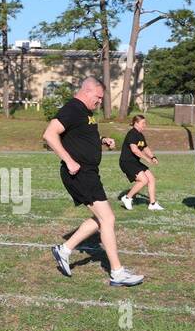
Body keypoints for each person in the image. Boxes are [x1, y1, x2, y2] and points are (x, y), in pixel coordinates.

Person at [44, 78, 144, 287]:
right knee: (108, 218)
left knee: (101, 219)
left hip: (89, 172)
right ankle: (117, 273)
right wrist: (69, 160)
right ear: (87, 91)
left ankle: (64, 250)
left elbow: (81, 136)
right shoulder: (73, 108)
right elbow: (49, 134)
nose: (99, 102)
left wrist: (102, 140)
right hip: (79, 172)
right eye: (98, 97)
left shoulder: (86, 113)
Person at [117, 114, 162, 211]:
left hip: (134, 162)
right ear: (136, 123)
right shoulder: (132, 134)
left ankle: (152, 204)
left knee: (151, 179)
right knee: (143, 180)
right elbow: (135, 150)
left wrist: (152, 157)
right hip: (127, 162)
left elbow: (145, 147)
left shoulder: (140, 135)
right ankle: (127, 198)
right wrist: (147, 159)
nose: (145, 125)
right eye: (143, 123)